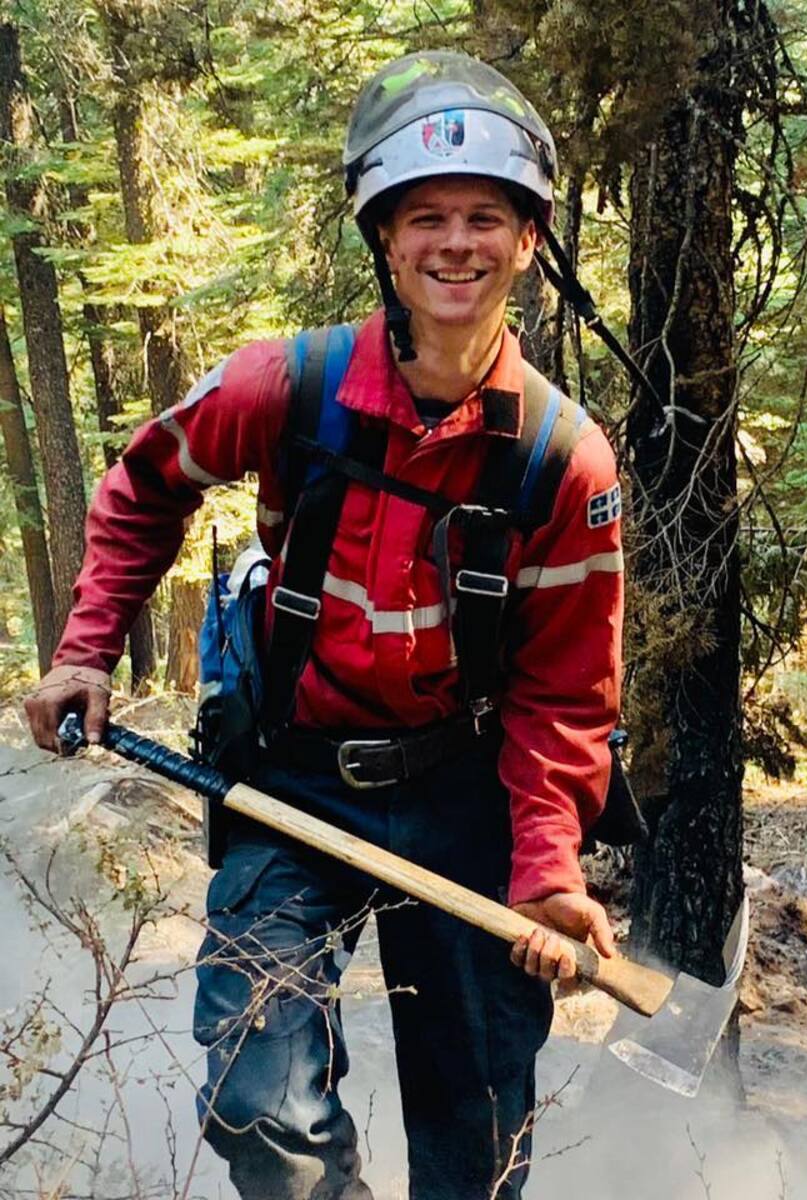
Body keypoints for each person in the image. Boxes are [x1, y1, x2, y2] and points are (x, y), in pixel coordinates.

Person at [24, 51, 622, 1200]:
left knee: (480, 1134)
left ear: (529, 239)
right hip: (288, 781)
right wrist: (87, 653)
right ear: (385, 240)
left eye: (485, 216)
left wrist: (547, 874)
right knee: (258, 1103)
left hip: (468, 796)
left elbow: (566, 696)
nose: (457, 243)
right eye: (427, 217)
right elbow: (148, 482)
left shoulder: (562, 459)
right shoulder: (286, 388)